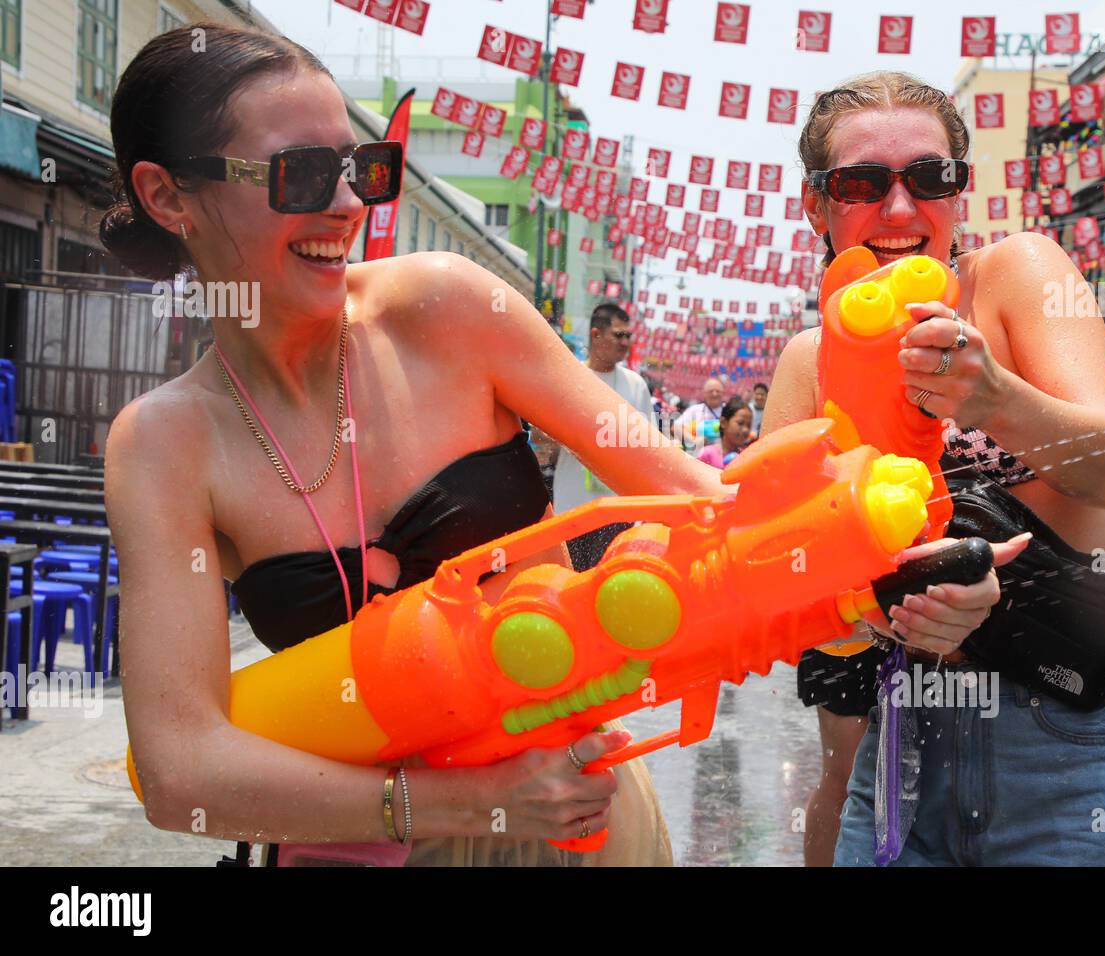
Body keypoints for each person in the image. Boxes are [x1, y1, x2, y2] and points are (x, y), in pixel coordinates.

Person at [103, 23, 729, 867]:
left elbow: (705, 506)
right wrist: (477, 805)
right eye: (301, 174)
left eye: (361, 169)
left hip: (578, 820)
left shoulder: (446, 307)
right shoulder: (164, 444)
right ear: (168, 196)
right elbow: (179, 770)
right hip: (352, 842)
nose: (349, 206)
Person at [767, 70, 1105, 866]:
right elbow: (787, 587)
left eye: (931, 177)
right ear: (816, 205)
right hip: (902, 743)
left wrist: (993, 397)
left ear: (961, 194)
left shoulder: (1016, 276)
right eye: (861, 183)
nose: (899, 209)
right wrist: (882, 606)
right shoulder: (806, 364)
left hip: (1074, 741)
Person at [550, 302, 659, 571]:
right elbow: (544, 436)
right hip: (573, 506)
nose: (625, 343)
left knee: (606, 580)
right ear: (596, 335)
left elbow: (649, 446)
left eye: (628, 336)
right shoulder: (570, 378)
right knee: (572, 581)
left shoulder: (636, 385)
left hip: (618, 509)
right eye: (618, 335)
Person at [696, 396, 752, 469]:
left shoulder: (747, 457)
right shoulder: (707, 454)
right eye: (740, 423)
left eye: (749, 425)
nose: (745, 430)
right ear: (723, 422)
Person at [674, 378, 725, 450]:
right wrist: (693, 440)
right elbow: (676, 427)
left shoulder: (729, 410)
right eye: (711, 391)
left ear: (723, 393)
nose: (714, 394)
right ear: (705, 393)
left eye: (718, 391)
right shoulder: (695, 410)